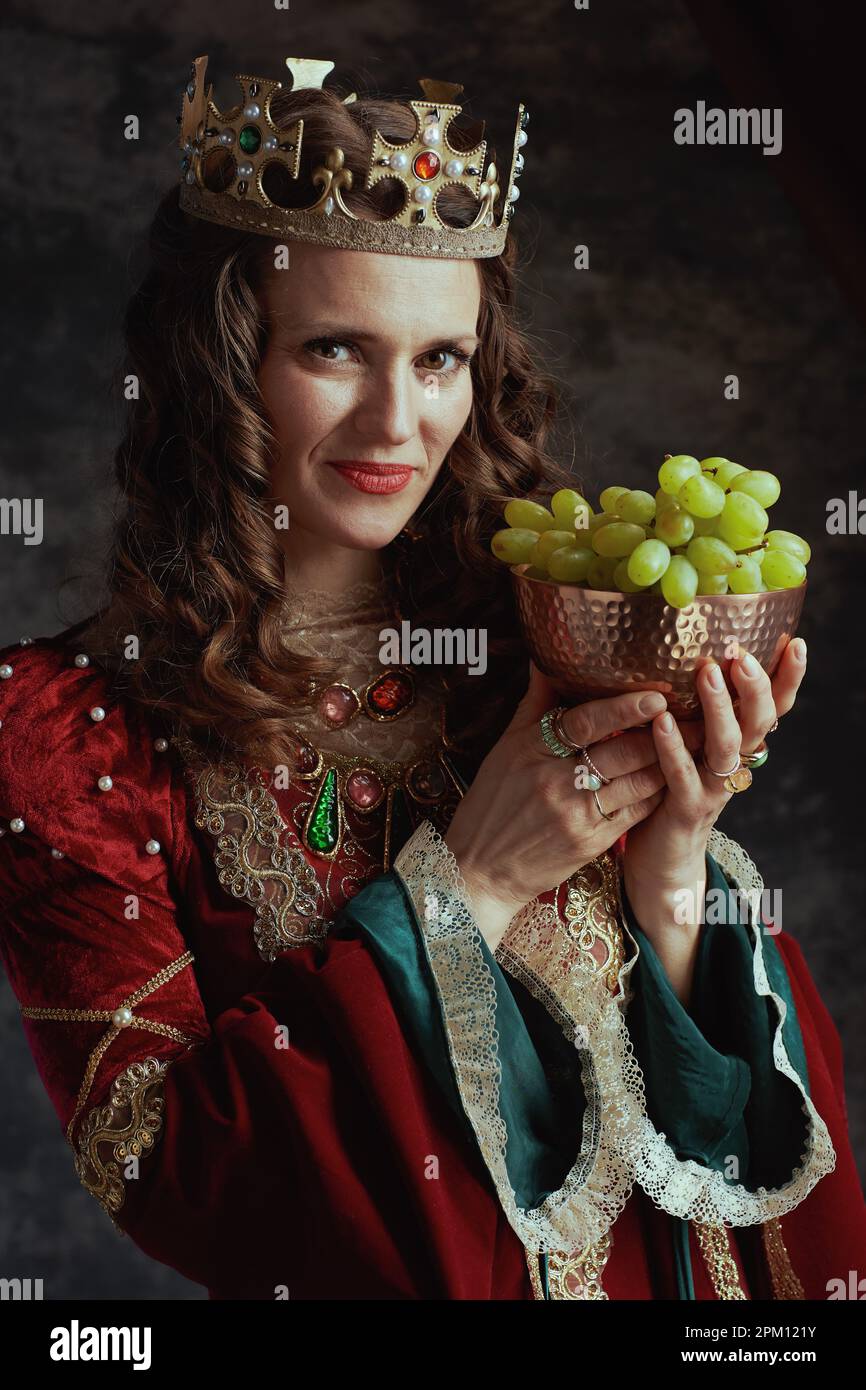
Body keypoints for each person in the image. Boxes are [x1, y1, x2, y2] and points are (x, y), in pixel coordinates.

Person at [0, 52, 864, 1302]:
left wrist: (675, 872)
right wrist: (471, 886)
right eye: (337, 349)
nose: (398, 422)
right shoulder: (72, 737)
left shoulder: (552, 637)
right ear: (222, 360)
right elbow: (171, 1174)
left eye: (441, 359)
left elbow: (720, 1164)